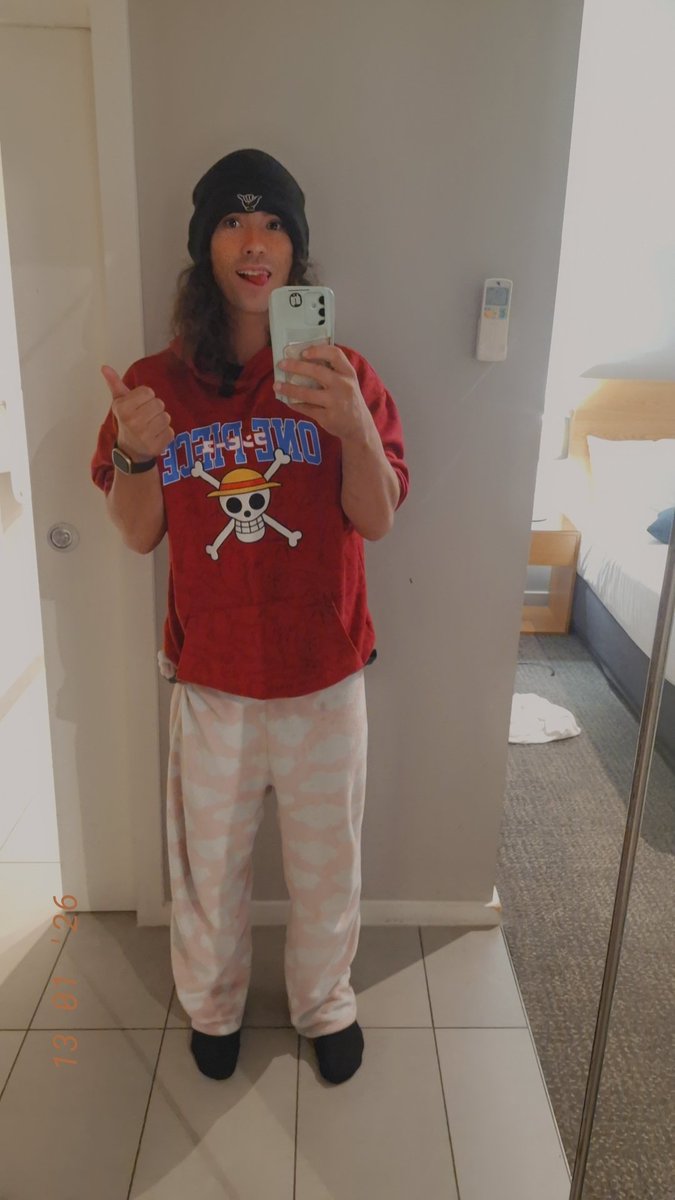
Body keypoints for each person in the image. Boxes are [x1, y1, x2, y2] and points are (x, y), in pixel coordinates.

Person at [90, 148, 409, 1085]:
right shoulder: (154, 385)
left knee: (327, 868)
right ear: (206, 247)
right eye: (233, 223)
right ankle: (214, 1008)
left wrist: (352, 427)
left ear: (297, 252)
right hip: (213, 680)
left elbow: (377, 520)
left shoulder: (344, 376)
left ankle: (324, 1004)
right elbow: (137, 535)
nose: (254, 242)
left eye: (272, 224)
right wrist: (137, 456)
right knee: (208, 870)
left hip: (324, 676)